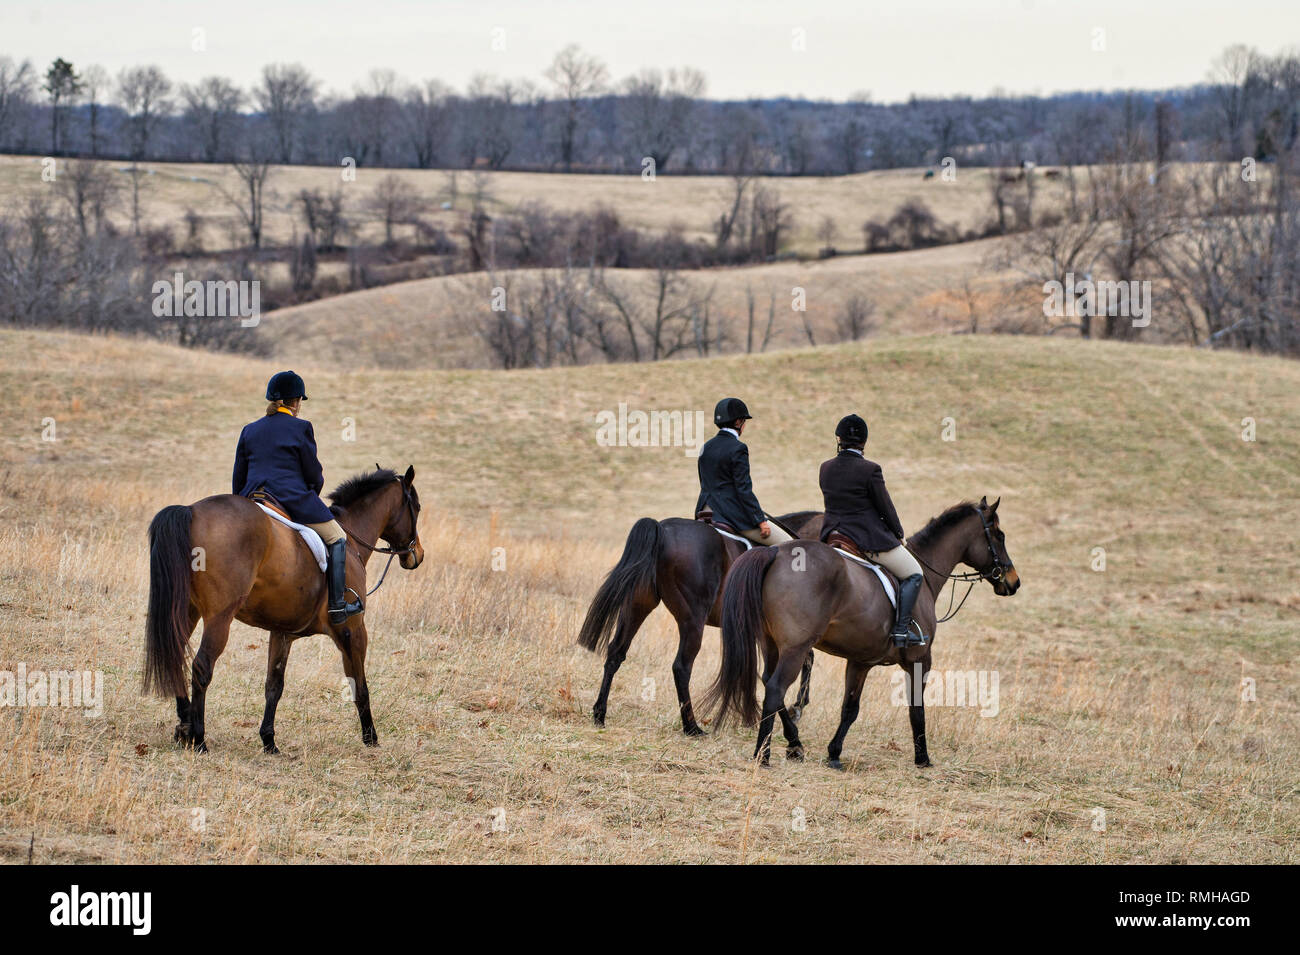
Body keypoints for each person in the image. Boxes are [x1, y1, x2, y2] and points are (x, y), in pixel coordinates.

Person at [232, 371, 363, 624]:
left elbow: (239, 477)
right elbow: (313, 473)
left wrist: (241, 502)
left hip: (251, 500)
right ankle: (337, 606)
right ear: (295, 402)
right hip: (290, 499)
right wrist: (311, 495)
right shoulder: (301, 427)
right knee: (338, 537)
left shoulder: (250, 430)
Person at [819, 413, 927, 647]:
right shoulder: (870, 470)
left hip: (832, 536)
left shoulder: (825, 468)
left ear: (838, 438)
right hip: (865, 539)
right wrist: (898, 533)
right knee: (914, 573)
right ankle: (900, 632)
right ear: (864, 442)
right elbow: (885, 507)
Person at [695, 397, 793, 546]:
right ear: (738, 422)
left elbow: (705, 482)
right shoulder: (738, 448)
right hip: (729, 513)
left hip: (704, 510)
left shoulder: (706, 447)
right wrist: (760, 520)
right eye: (744, 422)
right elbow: (743, 489)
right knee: (789, 544)